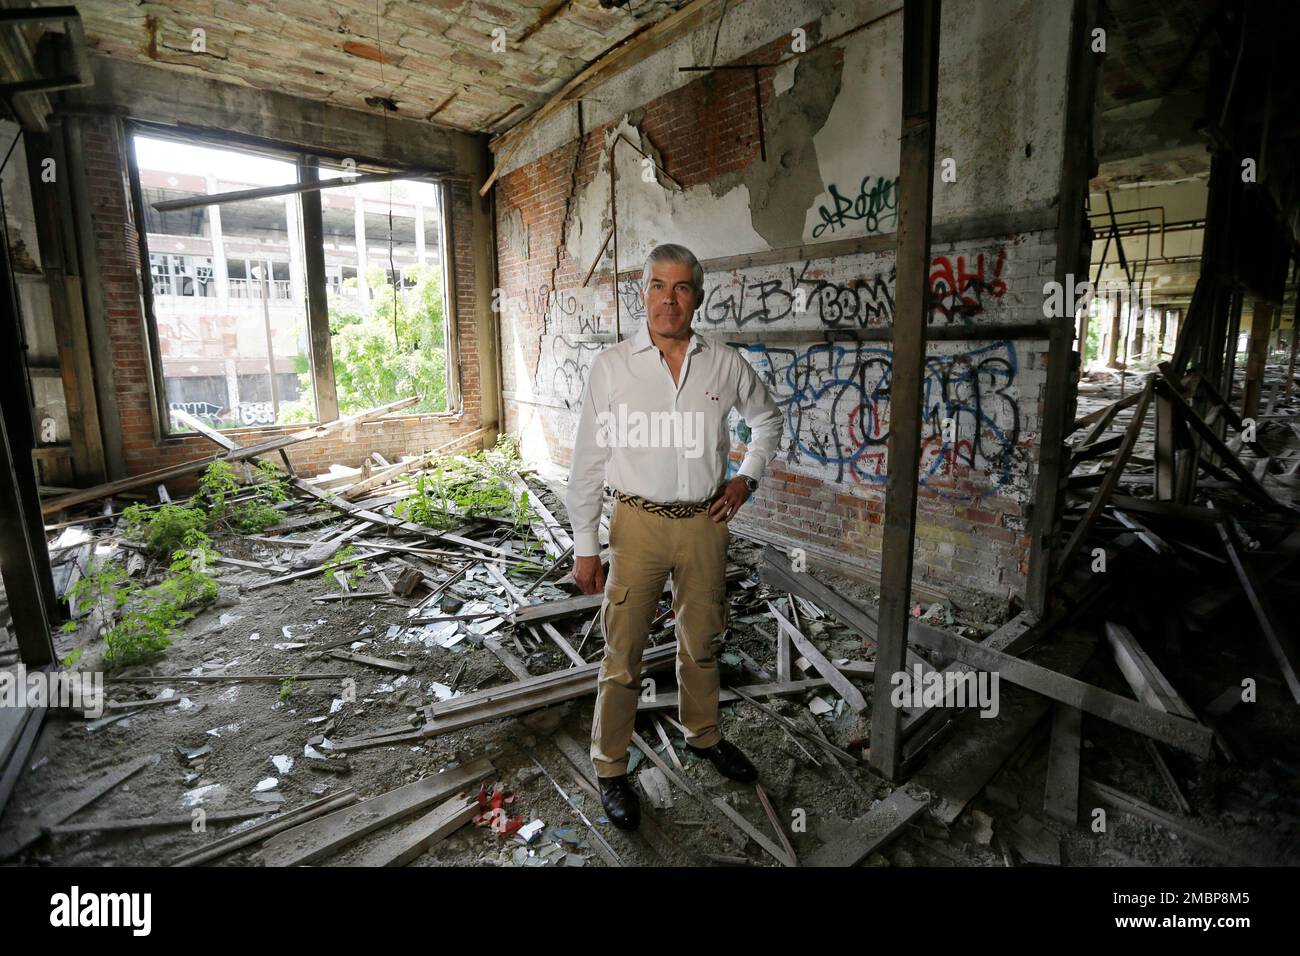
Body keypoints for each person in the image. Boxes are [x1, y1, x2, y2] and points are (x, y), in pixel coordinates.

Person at [566, 243, 783, 831]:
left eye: (682, 287)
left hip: (705, 525)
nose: (669, 298)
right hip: (635, 525)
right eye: (659, 285)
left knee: (702, 640)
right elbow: (588, 458)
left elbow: (767, 420)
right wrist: (587, 542)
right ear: (643, 292)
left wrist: (745, 479)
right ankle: (610, 768)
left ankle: (703, 736)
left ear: (698, 296)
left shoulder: (724, 363)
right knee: (623, 651)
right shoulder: (613, 366)